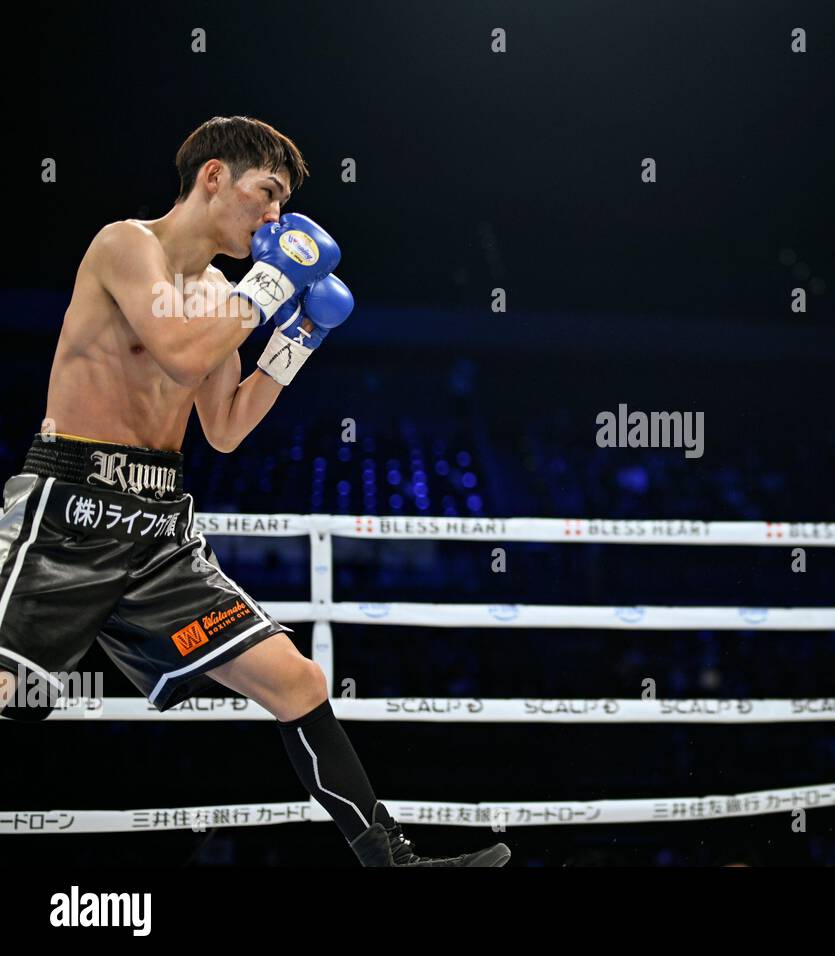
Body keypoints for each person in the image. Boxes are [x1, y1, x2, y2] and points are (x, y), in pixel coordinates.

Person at [0, 115, 509, 868]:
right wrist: (272, 284)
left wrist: (298, 338)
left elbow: (228, 427)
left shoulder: (218, 292)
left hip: (159, 531)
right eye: (266, 194)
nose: (276, 217)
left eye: (282, 204)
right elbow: (176, 350)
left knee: (296, 678)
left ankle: (390, 863)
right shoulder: (124, 246)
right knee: (12, 694)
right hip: (69, 512)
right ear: (214, 178)